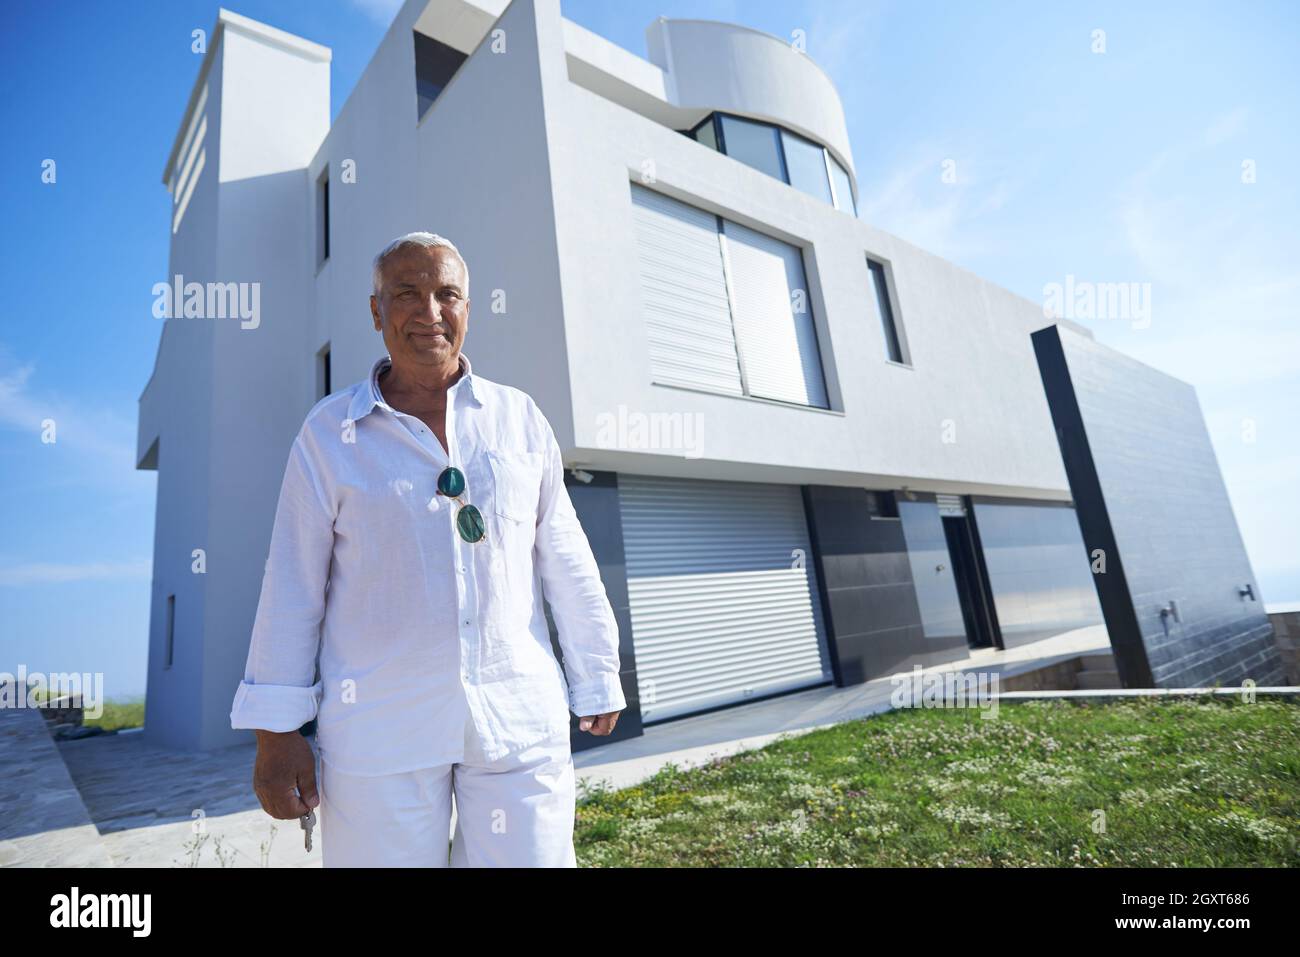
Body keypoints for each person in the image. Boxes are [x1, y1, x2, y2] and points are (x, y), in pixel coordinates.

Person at [230, 231, 626, 866]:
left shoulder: (519, 418)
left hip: (517, 720)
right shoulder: (329, 435)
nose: (430, 312)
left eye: (448, 295)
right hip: (378, 735)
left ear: (468, 307)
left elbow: (564, 553)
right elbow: (292, 583)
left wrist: (596, 671)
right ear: (376, 310)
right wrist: (276, 731)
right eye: (407, 294)